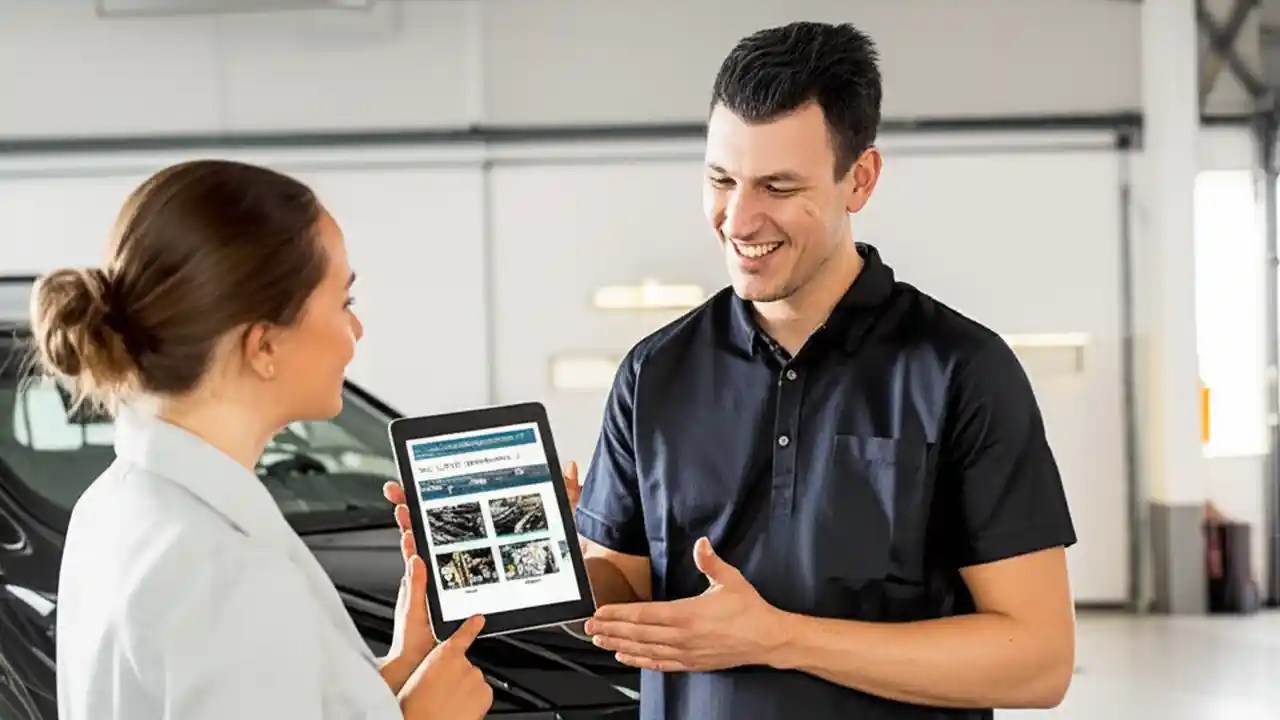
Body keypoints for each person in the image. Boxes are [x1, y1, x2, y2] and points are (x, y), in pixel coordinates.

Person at [387, 20, 1077, 720]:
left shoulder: (961, 371)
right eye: (721, 180)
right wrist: (536, 569)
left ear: (860, 179)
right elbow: (626, 588)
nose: (739, 220)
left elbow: (1037, 662)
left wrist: (781, 639)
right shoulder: (654, 372)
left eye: (778, 186)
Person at [37, 160, 493, 720]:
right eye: (344, 304)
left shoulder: (113, 506)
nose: (355, 332)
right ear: (264, 346)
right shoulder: (231, 572)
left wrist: (393, 677)